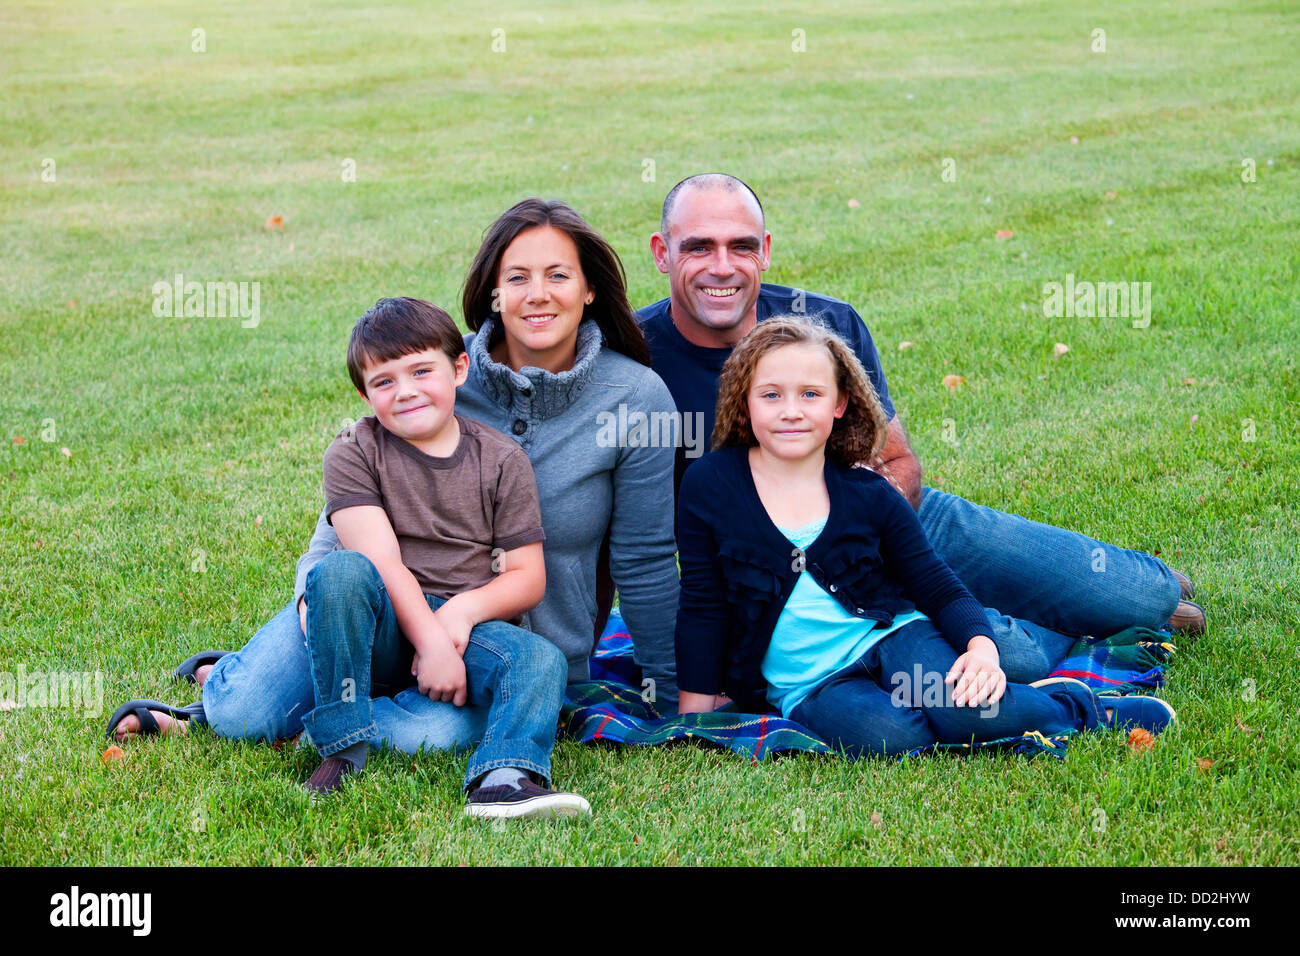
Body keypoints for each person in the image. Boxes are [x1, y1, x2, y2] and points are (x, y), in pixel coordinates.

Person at [107, 199, 680, 756]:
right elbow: (347, 517)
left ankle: (319, 723)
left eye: (558, 275)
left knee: (425, 737)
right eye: (518, 277)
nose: (538, 294)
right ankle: (227, 694)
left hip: (504, 645)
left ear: (589, 288)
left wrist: (671, 690)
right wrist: (318, 594)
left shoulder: (634, 399)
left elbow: (645, 557)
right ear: (493, 292)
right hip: (376, 615)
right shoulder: (432, 375)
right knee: (244, 716)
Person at [637, 173, 1201, 683]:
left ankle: (1125, 596)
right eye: (698, 247)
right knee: (1018, 659)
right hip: (774, 584)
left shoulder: (824, 324)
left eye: (740, 246)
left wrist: (879, 547)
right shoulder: (634, 359)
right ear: (663, 253)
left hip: (899, 519)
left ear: (764, 252)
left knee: (1143, 595)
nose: (722, 266)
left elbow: (899, 465)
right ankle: (1035, 622)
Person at [674, 315, 1177, 756]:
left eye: (810, 394)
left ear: (841, 403)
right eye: (771, 395)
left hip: (897, 636)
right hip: (811, 684)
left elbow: (933, 582)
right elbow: (703, 604)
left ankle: (1078, 707)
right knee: (892, 738)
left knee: (969, 712)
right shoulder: (710, 486)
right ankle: (987, 702)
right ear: (744, 400)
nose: (791, 410)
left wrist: (979, 648)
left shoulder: (867, 492)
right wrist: (694, 708)